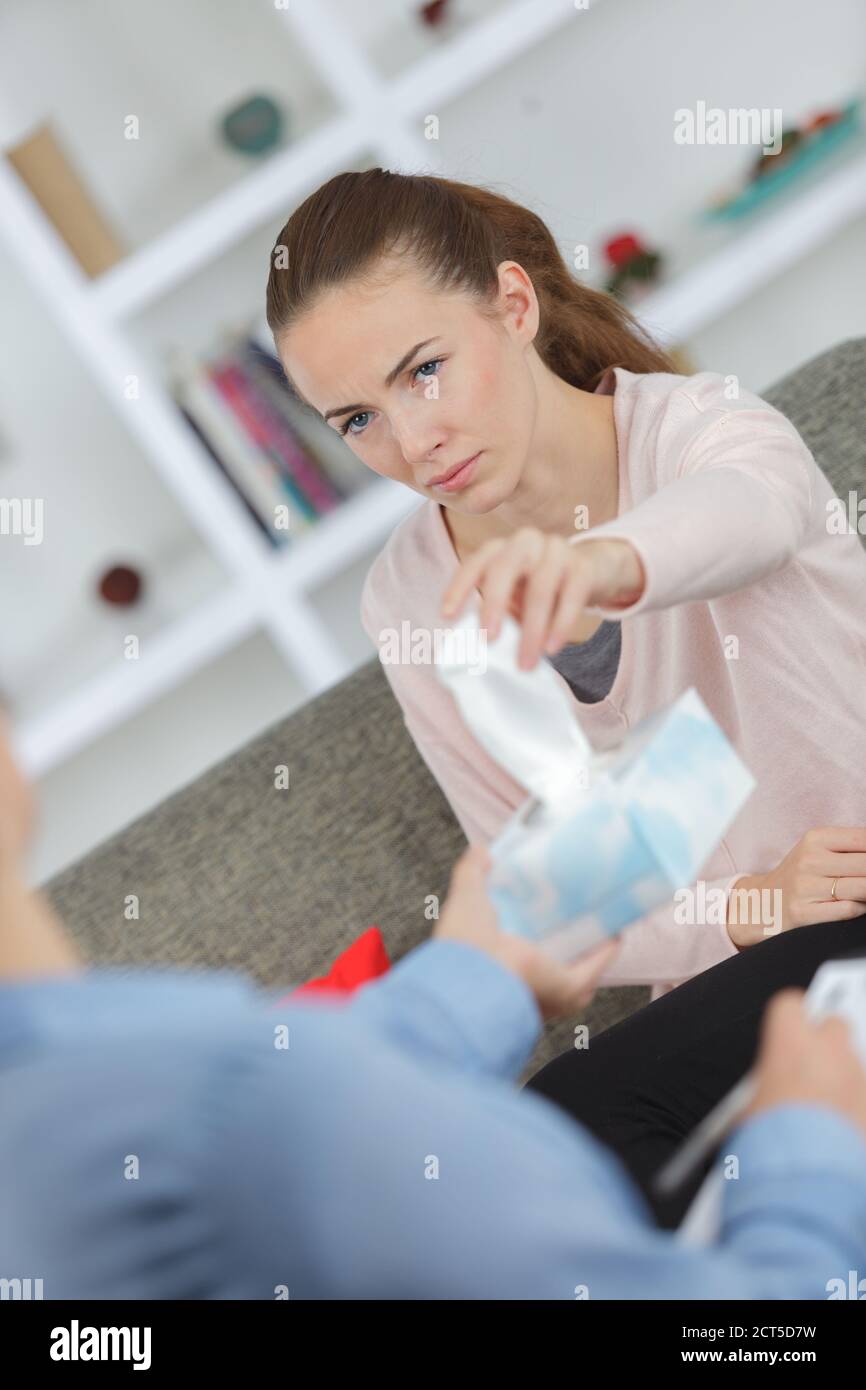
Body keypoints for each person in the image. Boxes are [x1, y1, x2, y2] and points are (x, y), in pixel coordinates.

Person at [2, 713, 866, 1299]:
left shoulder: (118, 1084)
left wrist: (469, 982)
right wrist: (811, 1146)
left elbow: (296, 1103)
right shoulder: (219, 1092)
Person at [266, 167, 866, 998]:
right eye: (359, 421)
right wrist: (752, 905)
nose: (414, 442)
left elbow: (752, 514)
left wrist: (597, 563)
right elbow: (552, 906)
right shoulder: (408, 596)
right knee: (580, 1095)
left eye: (424, 370)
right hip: (726, 990)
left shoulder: (700, 427)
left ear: (513, 306)